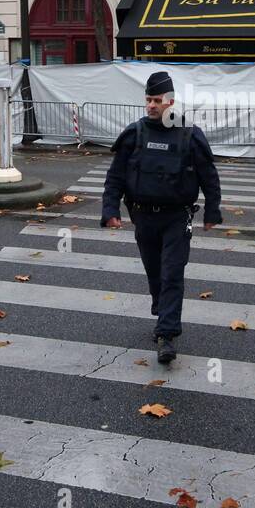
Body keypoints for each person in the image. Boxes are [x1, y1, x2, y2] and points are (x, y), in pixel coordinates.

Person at [101, 72, 222, 365]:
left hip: (176, 219)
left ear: (170, 102)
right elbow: (116, 176)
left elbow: (209, 176)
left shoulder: (189, 134)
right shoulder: (136, 133)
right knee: (155, 273)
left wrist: (213, 210)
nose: (151, 106)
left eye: (157, 101)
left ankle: (167, 334)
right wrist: (110, 210)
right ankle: (161, 306)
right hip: (143, 218)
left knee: (171, 274)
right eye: (148, 100)